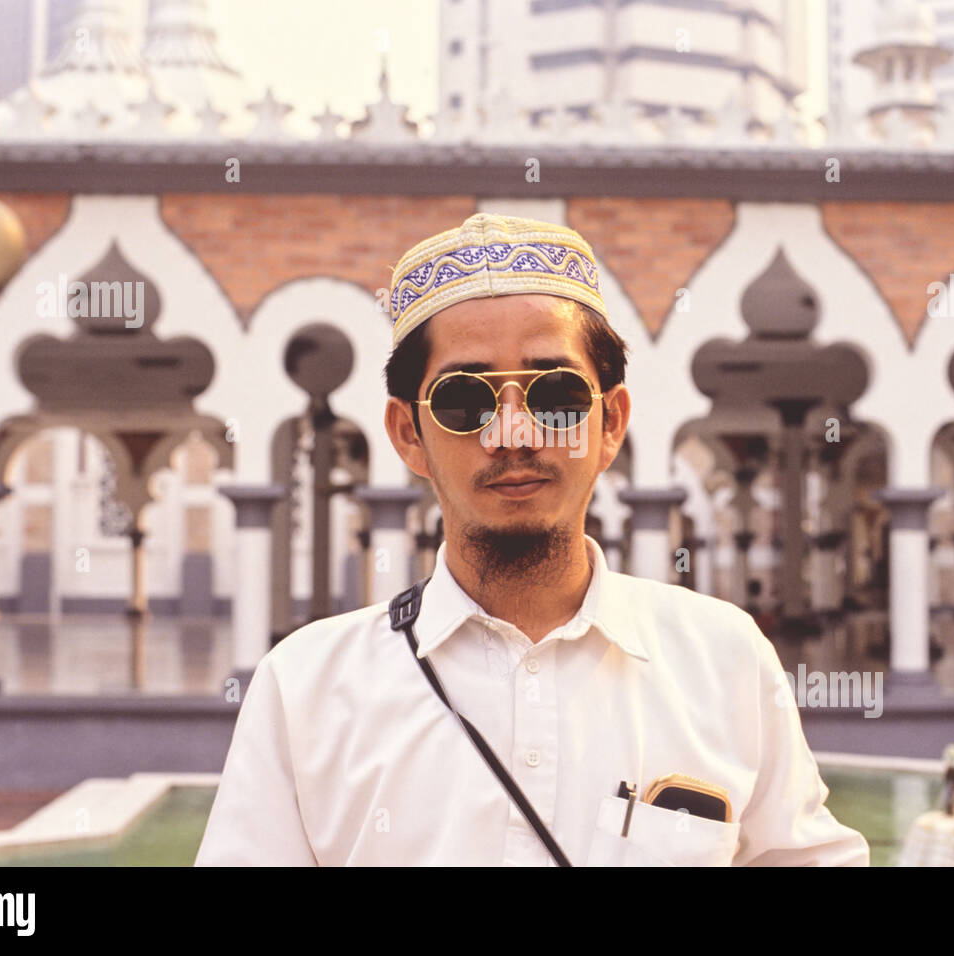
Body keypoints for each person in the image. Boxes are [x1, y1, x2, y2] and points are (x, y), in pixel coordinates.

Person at [195, 213, 869, 866]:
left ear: (611, 423)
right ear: (407, 434)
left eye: (555, 396)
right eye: (466, 401)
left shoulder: (723, 661)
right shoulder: (307, 688)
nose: (513, 433)